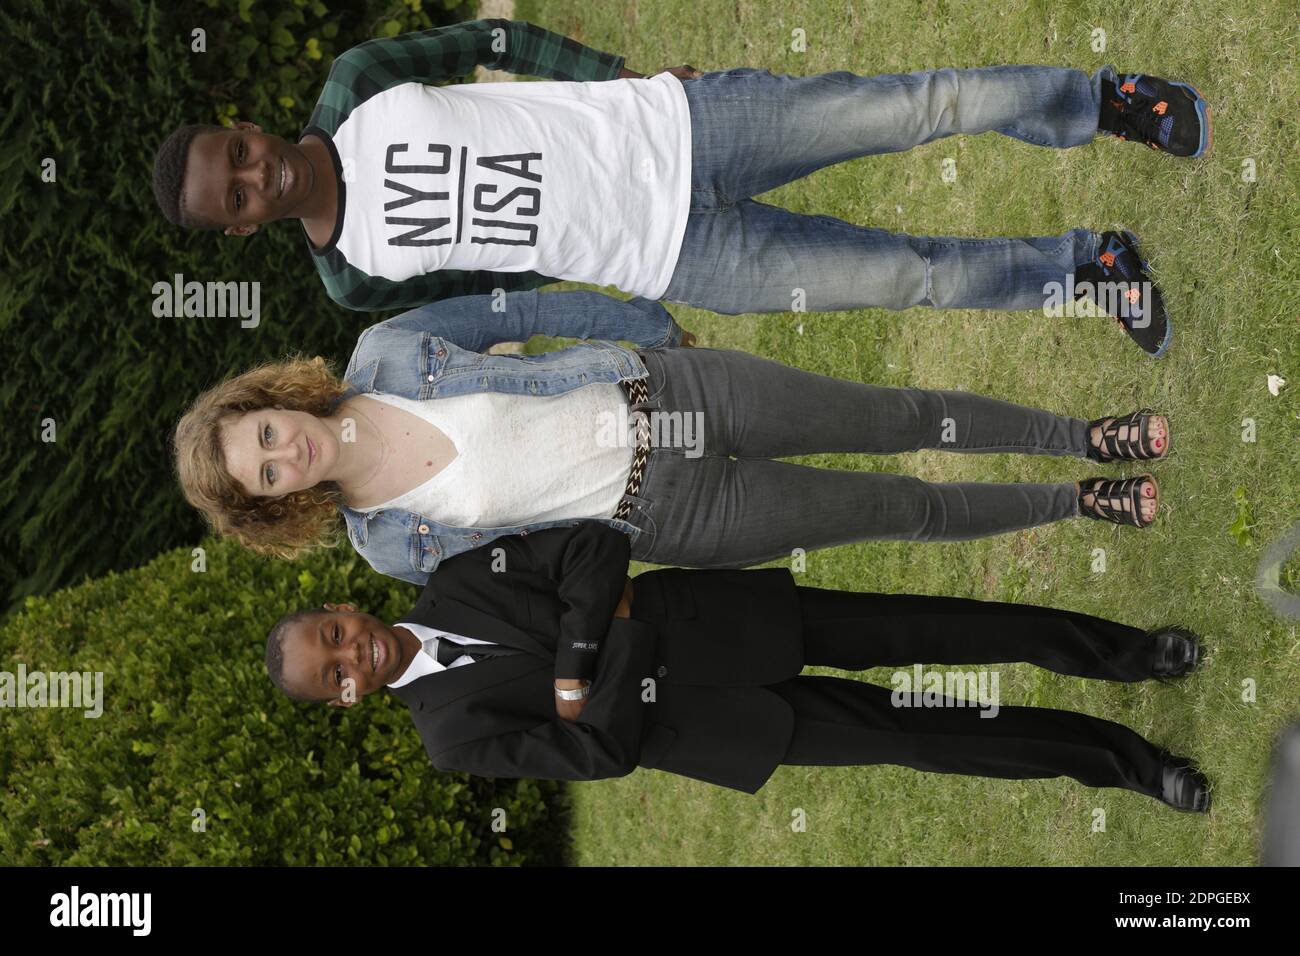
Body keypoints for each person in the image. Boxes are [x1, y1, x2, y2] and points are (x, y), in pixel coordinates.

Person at [151, 18, 1211, 357]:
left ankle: (1107, 101)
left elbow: (495, 38)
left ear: (244, 127)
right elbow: (503, 295)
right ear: (241, 231)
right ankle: (1091, 268)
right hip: (677, 258)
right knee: (911, 276)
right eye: (235, 197)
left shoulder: (354, 86)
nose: (255, 175)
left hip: (683, 128)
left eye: (236, 155)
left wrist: (618, 76)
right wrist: (636, 323)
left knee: (911, 107)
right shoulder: (352, 279)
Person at [173, 290, 1169, 585]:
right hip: (669, 513)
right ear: (272, 504)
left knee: (897, 415)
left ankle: (1088, 433)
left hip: (671, 391)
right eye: (263, 473)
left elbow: (520, 302)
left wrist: (641, 326)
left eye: (265, 432)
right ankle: (1076, 498)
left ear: (275, 399)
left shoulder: (385, 348)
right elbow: (525, 580)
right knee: (897, 508)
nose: (283, 452)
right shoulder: (385, 543)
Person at [264, 521, 1211, 812]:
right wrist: (602, 638)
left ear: (343, 608)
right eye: (335, 676)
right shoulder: (453, 738)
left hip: (733, 621)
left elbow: (594, 549)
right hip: (727, 729)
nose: (354, 658)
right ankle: (1131, 765)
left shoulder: (462, 577)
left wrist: (578, 668)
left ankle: (1130, 653)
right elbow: (597, 757)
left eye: (334, 638)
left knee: (946, 628)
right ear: (346, 702)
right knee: (935, 733)